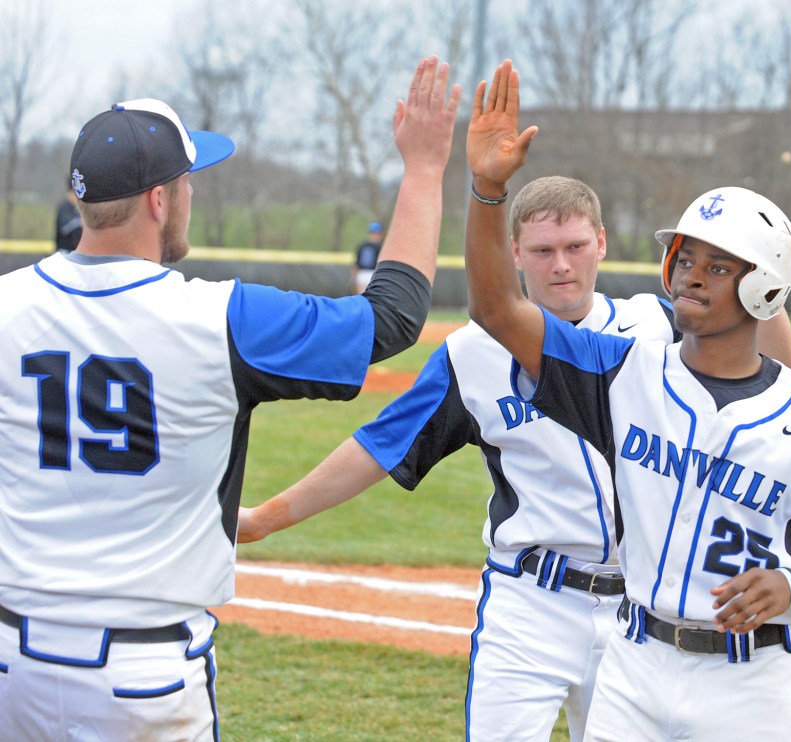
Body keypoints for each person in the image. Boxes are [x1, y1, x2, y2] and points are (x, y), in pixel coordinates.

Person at [238, 175, 791, 740]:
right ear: (514, 253)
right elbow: (381, 446)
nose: (561, 265)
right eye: (542, 251)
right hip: (531, 603)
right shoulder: (472, 353)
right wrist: (264, 519)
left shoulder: (658, 325)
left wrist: (752, 256)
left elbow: (778, 370)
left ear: (602, 243)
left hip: (639, 609)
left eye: (575, 246)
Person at [0, 56, 460, 741]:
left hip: (12, 667)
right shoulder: (220, 318)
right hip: (143, 677)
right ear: (160, 200)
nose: (190, 194)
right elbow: (389, 319)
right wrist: (423, 168)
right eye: (187, 182)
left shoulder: (6, 304)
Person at [461, 60, 791, 741]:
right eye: (686, 259)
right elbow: (497, 310)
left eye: (718, 266)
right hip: (633, 668)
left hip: (754, 685)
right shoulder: (623, 375)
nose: (693, 275)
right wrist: (489, 190)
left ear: (763, 290)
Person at [352, 220, 385, 294]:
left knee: (361, 297)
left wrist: (353, 279)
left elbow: (356, 265)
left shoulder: (362, 245)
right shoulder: (381, 246)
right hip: (374, 274)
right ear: (381, 233)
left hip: (361, 275)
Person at [55, 186, 83, 251]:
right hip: (64, 250)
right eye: (75, 193)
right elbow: (65, 229)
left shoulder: (80, 207)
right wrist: (81, 222)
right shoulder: (64, 207)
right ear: (70, 192)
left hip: (77, 251)